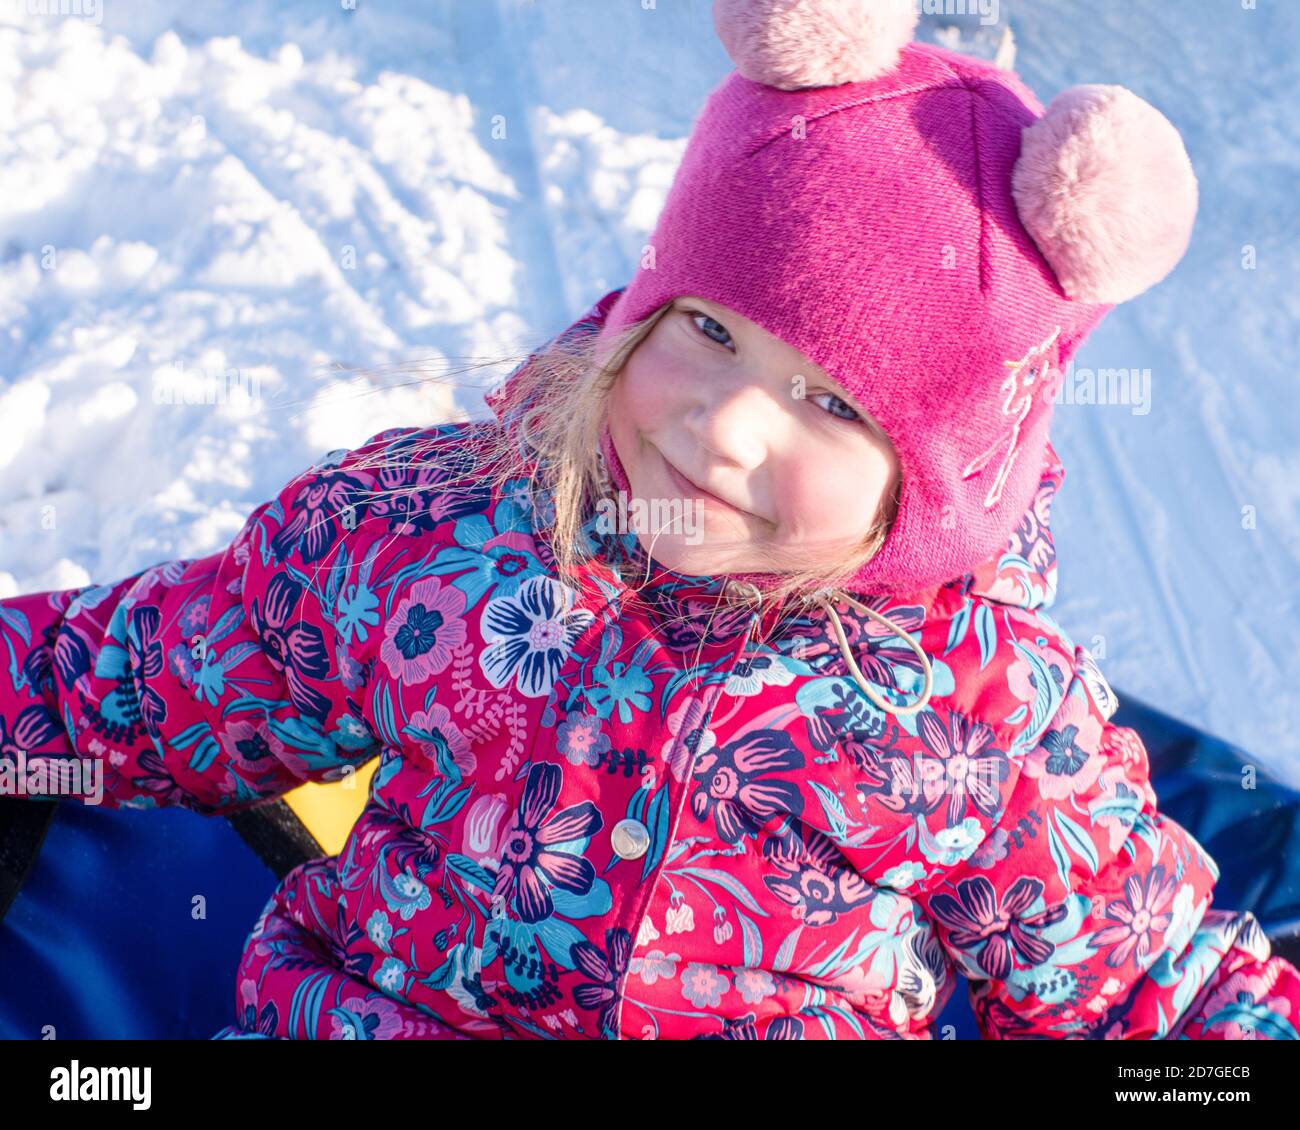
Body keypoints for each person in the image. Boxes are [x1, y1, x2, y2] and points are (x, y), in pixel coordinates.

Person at [1, 1, 1296, 1039]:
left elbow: (1144, 984)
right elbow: (158, 671)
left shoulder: (971, 716)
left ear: (941, 477)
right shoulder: (444, 536)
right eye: (711, 330)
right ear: (644, 311)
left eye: (830, 404)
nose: (727, 424)